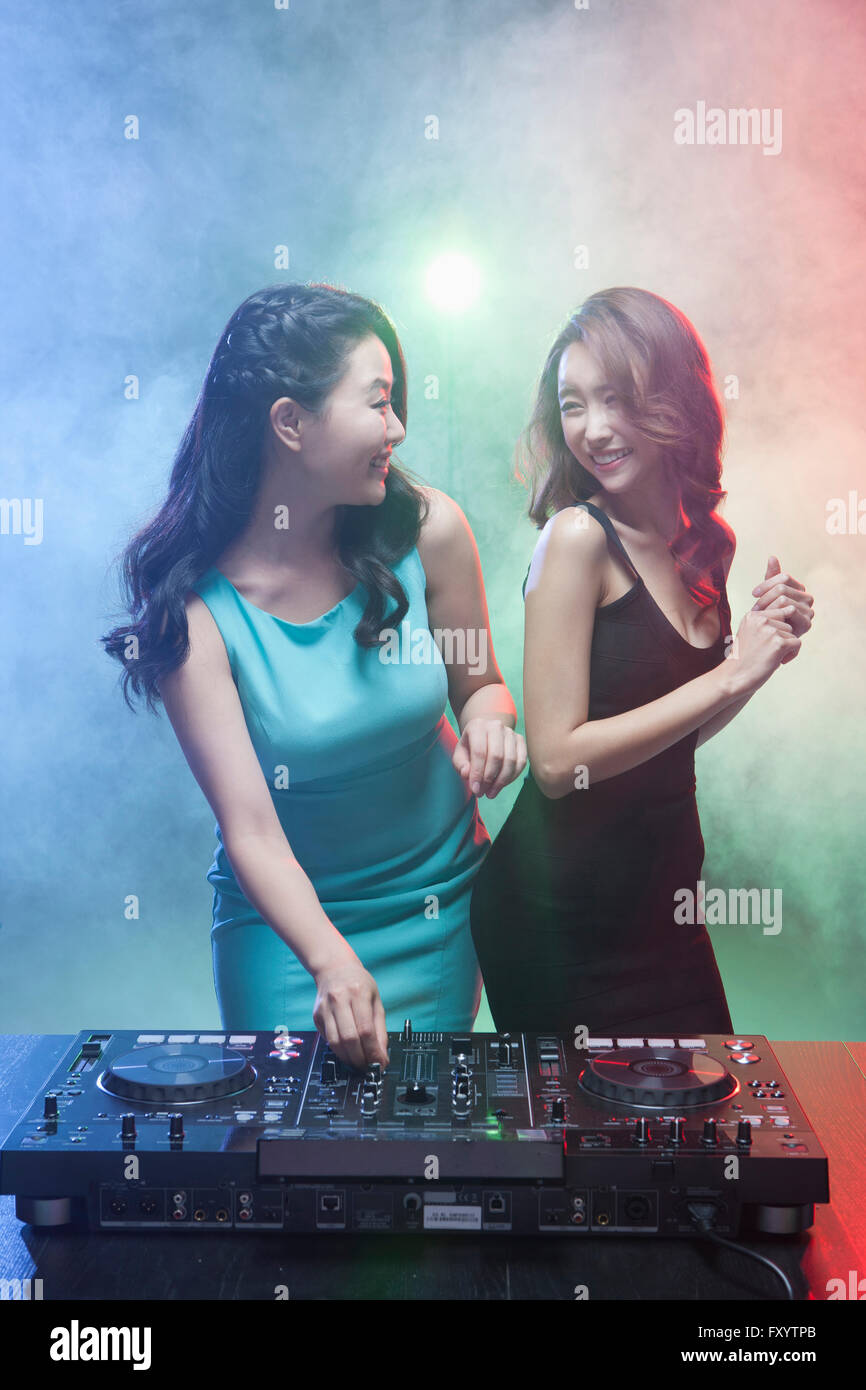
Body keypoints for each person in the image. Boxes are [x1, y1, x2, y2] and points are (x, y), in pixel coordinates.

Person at [102, 282, 526, 1069]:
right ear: (290, 423)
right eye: (377, 402)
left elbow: (483, 684)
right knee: (292, 1165)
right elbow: (251, 832)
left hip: (437, 909)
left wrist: (492, 721)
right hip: (287, 941)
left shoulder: (429, 529)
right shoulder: (194, 615)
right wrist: (331, 962)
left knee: (415, 1151)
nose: (397, 428)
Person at [470, 287, 813, 1037]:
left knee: (709, 1129)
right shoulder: (575, 540)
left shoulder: (705, 540)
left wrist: (761, 654)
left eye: (615, 399)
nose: (592, 430)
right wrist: (731, 671)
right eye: (572, 405)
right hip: (556, 922)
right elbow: (559, 762)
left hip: (663, 906)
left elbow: (666, 741)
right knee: (592, 1149)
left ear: (672, 399)